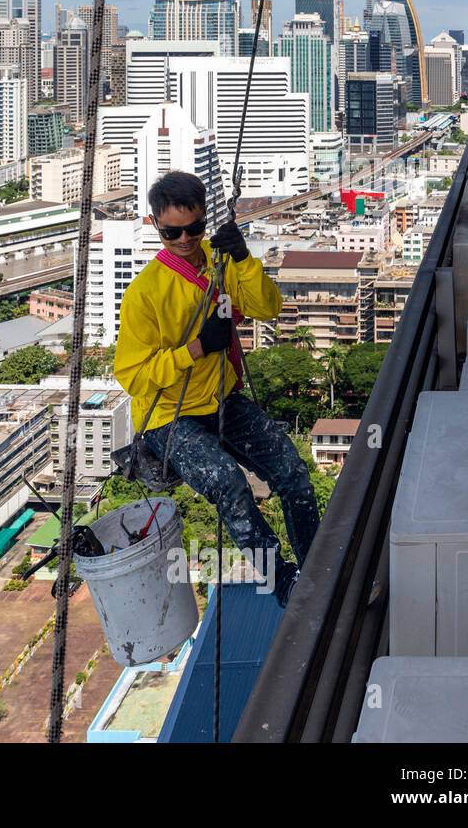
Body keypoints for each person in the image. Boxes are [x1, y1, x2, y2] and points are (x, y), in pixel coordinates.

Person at [113, 171, 319, 607]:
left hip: (220, 400)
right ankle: (283, 581)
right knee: (230, 486)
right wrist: (196, 348)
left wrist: (244, 258)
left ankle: (319, 565)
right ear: (155, 226)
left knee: (293, 474)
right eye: (173, 232)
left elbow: (269, 307)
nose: (185, 239)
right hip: (170, 416)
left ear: (204, 219)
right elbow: (132, 376)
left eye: (194, 228)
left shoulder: (221, 262)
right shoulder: (145, 294)